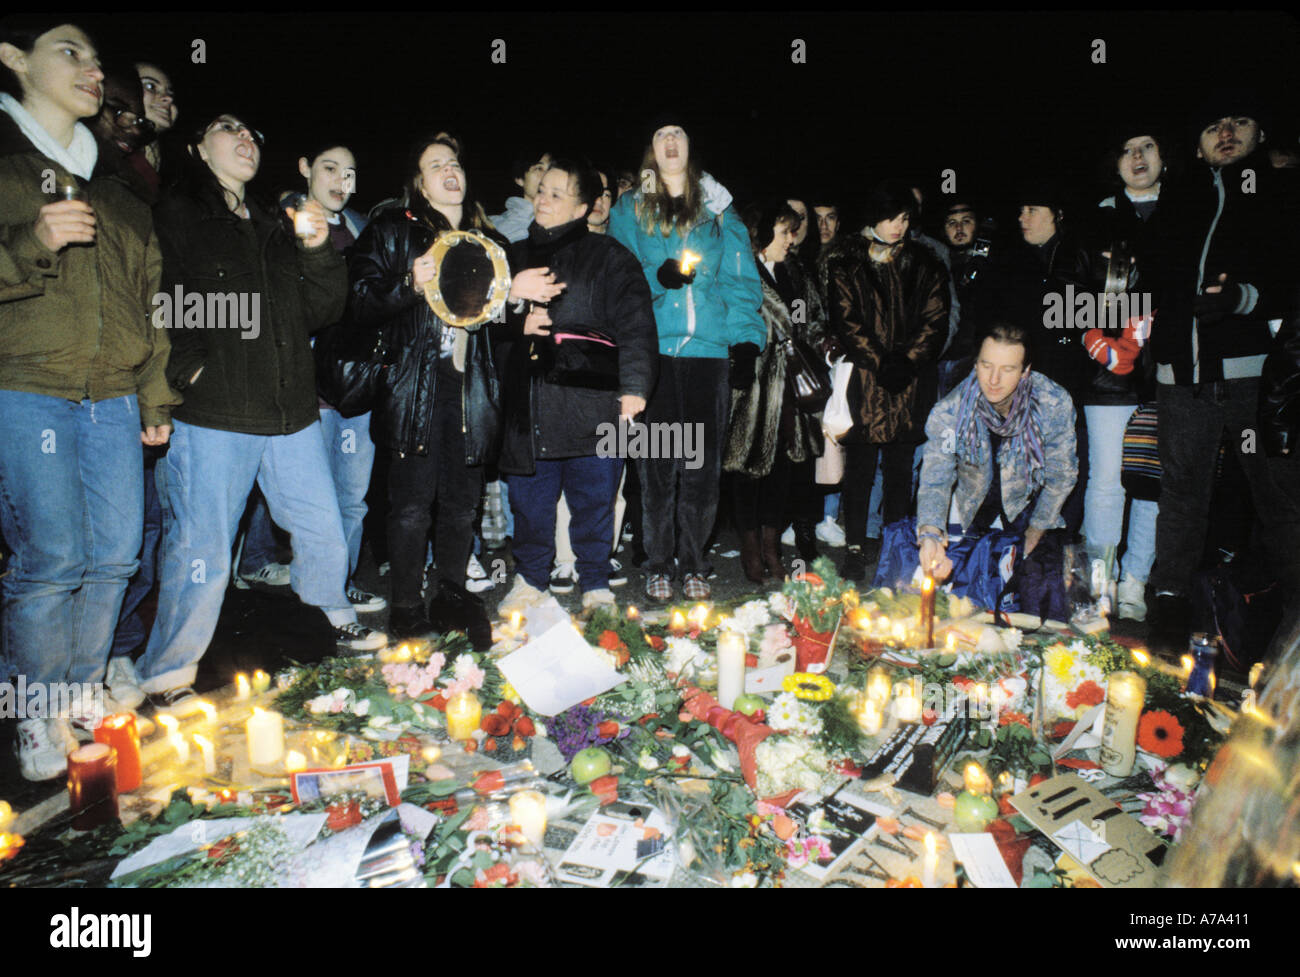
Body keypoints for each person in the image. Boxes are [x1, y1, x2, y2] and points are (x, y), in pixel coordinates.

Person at [139, 109, 386, 708]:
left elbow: (321, 310)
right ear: (198, 148)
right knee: (202, 550)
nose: (247, 137)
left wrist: (319, 248)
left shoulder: (276, 221)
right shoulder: (179, 212)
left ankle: (330, 615)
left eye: (254, 131)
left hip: (290, 410)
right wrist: (191, 370)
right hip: (216, 412)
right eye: (229, 129)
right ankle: (166, 673)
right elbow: (159, 299)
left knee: (323, 526)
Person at [0, 19, 179, 778]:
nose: (92, 68)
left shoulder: (119, 188)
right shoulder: (6, 165)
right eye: (68, 52)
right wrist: (29, 241)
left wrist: (154, 397)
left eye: (96, 59)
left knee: (113, 555)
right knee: (53, 558)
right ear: (13, 60)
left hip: (112, 393)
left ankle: (78, 687)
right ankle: (32, 710)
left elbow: (150, 305)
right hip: (27, 387)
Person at [348, 133, 556, 638]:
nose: (450, 171)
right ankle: (405, 606)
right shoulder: (393, 229)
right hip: (414, 384)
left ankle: (451, 595)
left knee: (463, 504)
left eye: (455, 163)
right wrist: (407, 284)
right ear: (419, 182)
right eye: (436, 164)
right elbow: (355, 301)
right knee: (412, 504)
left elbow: (488, 315)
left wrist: (516, 316)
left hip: (472, 388)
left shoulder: (491, 242)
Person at [1146, 92, 1300, 642]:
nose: (1226, 132)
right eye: (1213, 124)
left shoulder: (1280, 193)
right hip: (1181, 378)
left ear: (1260, 133)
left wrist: (1243, 298)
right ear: (1197, 142)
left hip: (1254, 377)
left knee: (1278, 498)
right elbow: (1151, 277)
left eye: (1239, 121)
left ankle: (1291, 625)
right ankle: (1168, 609)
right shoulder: (1179, 198)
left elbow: (1289, 276)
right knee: (1182, 496)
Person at [609, 113, 764, 602]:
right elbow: (619, 276)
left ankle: (694, 561)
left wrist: (745, 341)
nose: (670, 140)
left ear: (690, 146)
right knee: (656, 465)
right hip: (653, 352)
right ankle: (657, 561)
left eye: (678, 133)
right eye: (660, 134)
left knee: (700, 466)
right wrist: (659, 278)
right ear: (651, 149)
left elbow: (741, 282)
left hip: (708, 354)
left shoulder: (720, 211)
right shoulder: (630, 208)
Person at [495, 158, 656, 616]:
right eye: (540, 190)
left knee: (595, 498)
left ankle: (596, 582)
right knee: (529, 501)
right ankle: (530, 580)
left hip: (594, 402)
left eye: (555, 193)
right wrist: (514, 318)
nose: (542, 199)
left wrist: (635, 389)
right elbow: (484, 324)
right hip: (528, 404)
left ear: (583, 207)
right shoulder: (511, 257)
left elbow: (638, 328)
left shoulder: (612, 257)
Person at [820, 180, 949, 580]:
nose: (898, 226)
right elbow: (847, 319)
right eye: (892, 217)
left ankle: (896, 547)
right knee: (860, 465)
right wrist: (880, 361)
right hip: (866, 378)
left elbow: (936, 317)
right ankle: (855, 546)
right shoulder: (846, 261)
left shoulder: (924, 261)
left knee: (900, 467)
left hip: (910, 381)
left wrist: (908, 361)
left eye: (905, 218)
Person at [1078, 124, 1171, 620]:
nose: (1137, 157)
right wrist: (1097, 340)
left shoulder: (1185, 212)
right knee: (1108, 481)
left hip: (1172, 370)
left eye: (1148, 147)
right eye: (1127, 150)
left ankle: (1135, 580)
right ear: (1114, 163)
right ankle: (1101, 581)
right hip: (1110, 374)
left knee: (1154, 482)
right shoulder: (1095, 222)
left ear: (1165, 155)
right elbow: (1069, 295)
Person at [917, 321, 1078, 587]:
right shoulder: (950, 410)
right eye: (986, 365)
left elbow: (1062, 475)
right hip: (973, 508)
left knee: (1036, 599)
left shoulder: (1053, 402)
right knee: (948, 592)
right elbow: (936, 478)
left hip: (1030, 508)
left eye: (1008, 369)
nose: (993, 380)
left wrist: (1036, 530)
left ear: (1026, 371)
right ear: (975, 363)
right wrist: (931, 534)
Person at [727, 200, 827, 582]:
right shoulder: (739, 271)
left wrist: (824, 341)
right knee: (748, 468)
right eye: (785, 231)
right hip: (752, 386)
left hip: (789, 387)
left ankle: (772, 546)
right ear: (765, 232)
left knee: (783, 467)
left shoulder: (796, 274)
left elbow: (808, 319)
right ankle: (750, 549)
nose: (792, 238)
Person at [489, 147, 551, 243]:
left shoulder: (565, 219)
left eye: (550, 169)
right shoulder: (494, 224)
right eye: (539, 168)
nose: (547, 175)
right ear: (520, 179)